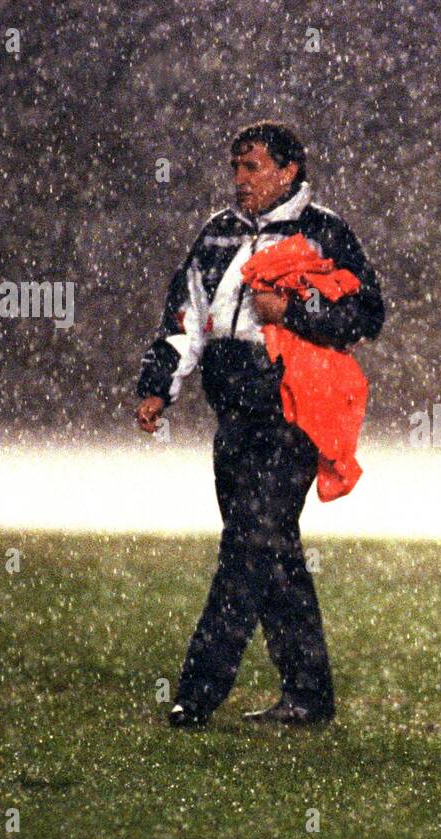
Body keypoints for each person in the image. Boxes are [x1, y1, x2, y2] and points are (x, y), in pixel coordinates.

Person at [135, 122, 385, 727]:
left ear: (288, 171)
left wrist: (296, 309)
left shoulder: (324, 231)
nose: (240, 180)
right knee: (272, 553)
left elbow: (366, 312)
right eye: (236, 168)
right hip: (234, 416)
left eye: (252, 168)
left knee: (246, 548)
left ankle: (197, 693)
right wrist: (157, 386)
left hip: (292, 413)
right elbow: (187, 317)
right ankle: (309, 695)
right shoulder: (216, 234)